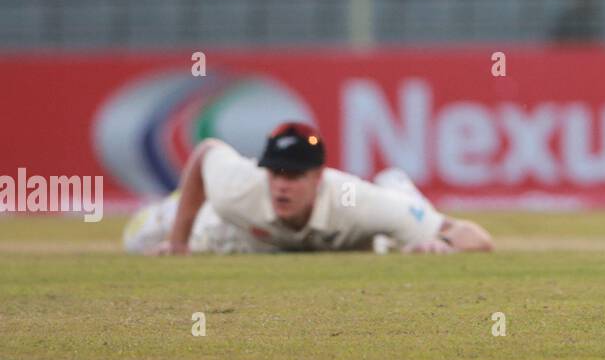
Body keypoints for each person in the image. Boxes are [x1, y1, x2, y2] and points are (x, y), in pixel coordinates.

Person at [123, 122, 493, 255]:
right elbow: (205, 152)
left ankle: (400, 189)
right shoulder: (240, 184)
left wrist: (441, 244)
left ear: (318, 177)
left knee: (389, 238)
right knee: (134, 241)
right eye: (276, 173)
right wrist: (178, 242)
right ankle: (171, 209)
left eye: (294, 176)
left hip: (345, 226)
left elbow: (477, 238)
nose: (281, 185)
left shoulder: (356, 200)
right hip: (219, 224)